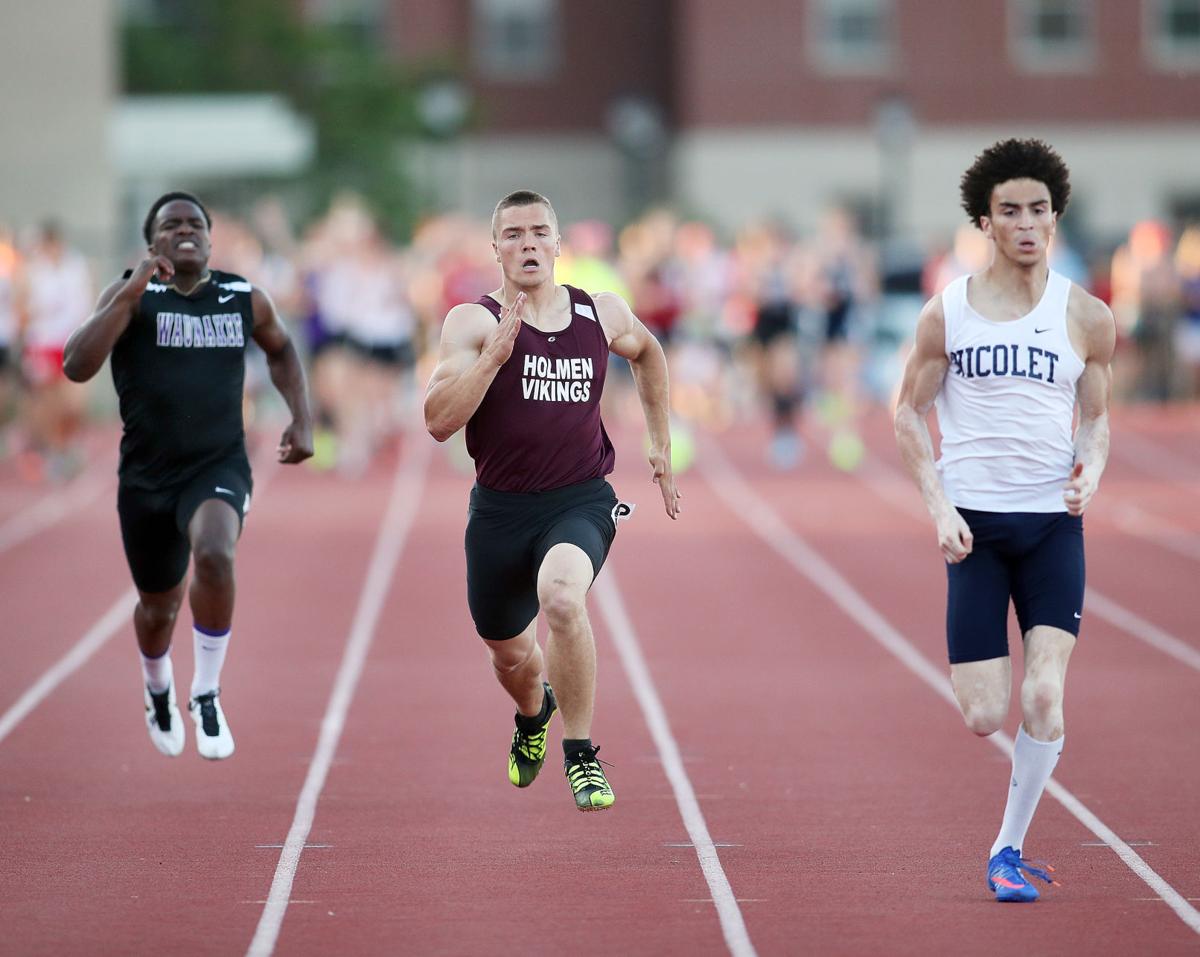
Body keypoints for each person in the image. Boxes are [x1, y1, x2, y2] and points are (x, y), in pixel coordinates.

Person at [893, 140, 1115, 901]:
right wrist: (937, 503)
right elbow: (907, 413)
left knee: (1044, 694)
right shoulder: (946, 313)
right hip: (976, 533)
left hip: (1053, 527)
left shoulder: (1085, 315)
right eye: (1011, 212)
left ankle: (1007, 850)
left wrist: (1093, 467)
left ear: (1056, 217)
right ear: (984, 221)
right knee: (985, 714)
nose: (1027, 224)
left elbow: (1098, 419)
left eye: (1039, 211)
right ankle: (1007, 841)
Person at [424, 189, 680, 812]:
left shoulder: (601, 313)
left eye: (540, 231)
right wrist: (493, 359)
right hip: (500, 511)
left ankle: (582, 755)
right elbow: (437, 421)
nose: (528, 243)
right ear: (496, 249)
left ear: (559, 244)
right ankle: (535, 713)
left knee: (562, 599)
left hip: (580, 499)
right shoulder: (473, 322)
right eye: (513, 234)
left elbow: (648, 352)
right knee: (511, 656)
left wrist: (659, 441)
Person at [63, 191, 313, 760]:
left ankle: (206, 690)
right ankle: (158, 688)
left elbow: (280, 349)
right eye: (171, 224)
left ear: (210, 236)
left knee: (217, 553)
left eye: (195, 223)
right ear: (152, 240)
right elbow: (77, 367)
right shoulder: (130, 296)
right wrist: (130, 293)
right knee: (158, 606)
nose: (185, 230)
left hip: (216, 464)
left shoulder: (241, 297)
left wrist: (300, 418)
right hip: (147, 478)